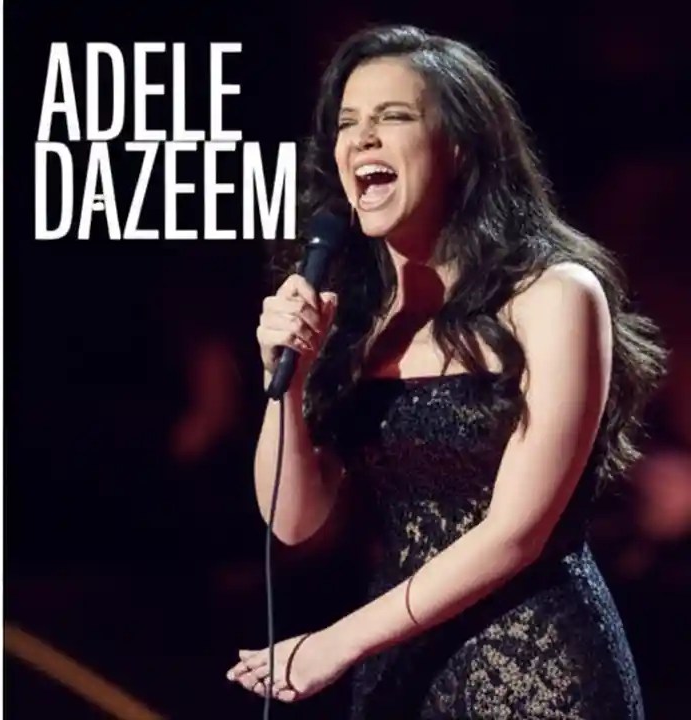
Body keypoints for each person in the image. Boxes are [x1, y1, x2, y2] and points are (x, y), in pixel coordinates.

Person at [224, 25, 666, 719]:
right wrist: (287, 385)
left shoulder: (553, 295)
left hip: (535, 671)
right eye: (348, 123)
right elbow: (292, 522)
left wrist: (336, 644)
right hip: (402, 673)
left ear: (459, 147)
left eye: (392, 116)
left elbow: (517, 532)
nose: (362, 138)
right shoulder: (355, 316)